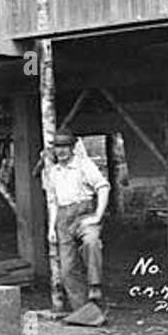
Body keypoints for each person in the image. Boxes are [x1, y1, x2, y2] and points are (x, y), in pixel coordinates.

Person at [42, 128, 109, 311]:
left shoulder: (84, 165)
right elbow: (53, 202)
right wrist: (51, 228)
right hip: (62, 218)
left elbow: (103, 187)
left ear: (72, 147)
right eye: (57, 147)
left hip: (84, 212)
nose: (61, 150)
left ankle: (95, 285)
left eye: (65, 146)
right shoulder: (53, 171)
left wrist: (97, 216)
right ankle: (83, 311)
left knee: (91, 241)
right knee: (67, 270)